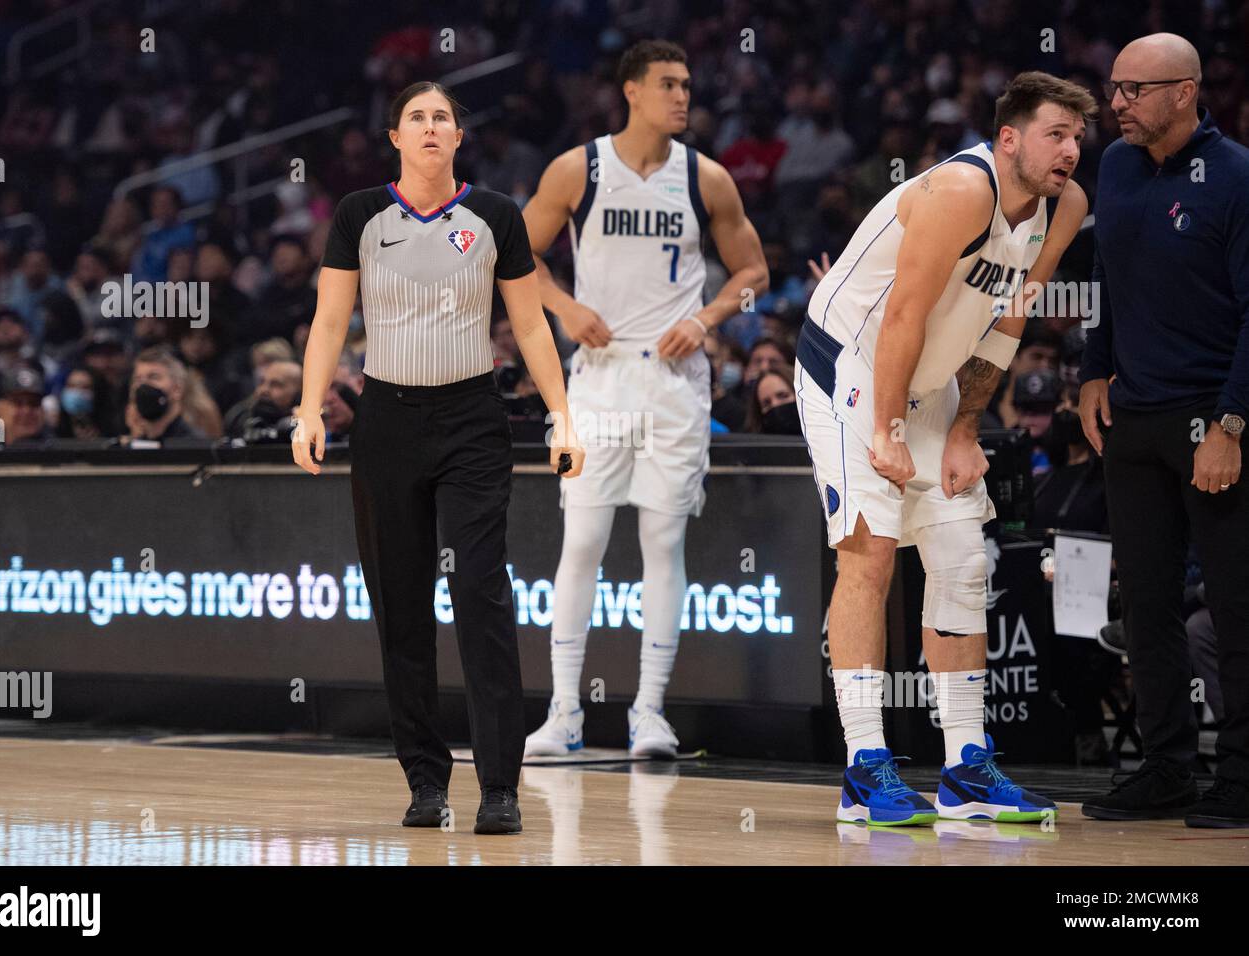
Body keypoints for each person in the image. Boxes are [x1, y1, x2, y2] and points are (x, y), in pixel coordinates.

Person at [796, 72, 1092, 825]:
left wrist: (963, 430)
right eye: (1056, 134)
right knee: (871, 549)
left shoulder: (1068, 206)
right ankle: (865, 769)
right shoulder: (962, 191)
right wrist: (888, 429)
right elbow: (902, 315)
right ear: (1008, 140)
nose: (1071, 150)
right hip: (851, 366)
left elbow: (1011, 319)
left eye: (1079, 137)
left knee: (962, 558)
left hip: (933, 384)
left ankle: (966, 769)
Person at [292, 81, 583, 835]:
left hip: (472, 419)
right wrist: (307, 408)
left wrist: (562, 417)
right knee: (400, 604)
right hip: (384, 421)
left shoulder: (494, 215)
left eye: (441, 118)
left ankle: (500, 787)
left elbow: (530, 325)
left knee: (481, 595)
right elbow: (328, 324)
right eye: (416, 118)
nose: (429, 127)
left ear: (459, 138)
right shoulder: (359, 214)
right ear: (394, 137)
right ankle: (425, 780)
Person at [519, 39, 768, 757]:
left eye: (688, 84)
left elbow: (751, 268)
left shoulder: (708, 178)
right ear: (631, 91)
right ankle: (564, 711)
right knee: (585, 541)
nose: (683, 96)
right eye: (668, 84)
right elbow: (516, 255)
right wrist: (564, 308)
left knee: (664, 544)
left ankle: (649, 712)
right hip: (598, 377)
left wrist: (706, 318)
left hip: (673, 382)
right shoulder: (578, 168)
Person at [1078, 33, 1249, 828]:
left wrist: (1231, 423)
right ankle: (1167, 765)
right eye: (1114, 89)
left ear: (1184, 92)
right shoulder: (1112, 167)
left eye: (1134, 91)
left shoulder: (1238, 177)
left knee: (1234, 602)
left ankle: (1243, 775)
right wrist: (1090, 369)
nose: (1118, 104)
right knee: (1145, 604)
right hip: (1133, 420)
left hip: (1210, 420)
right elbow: (1107, 277)